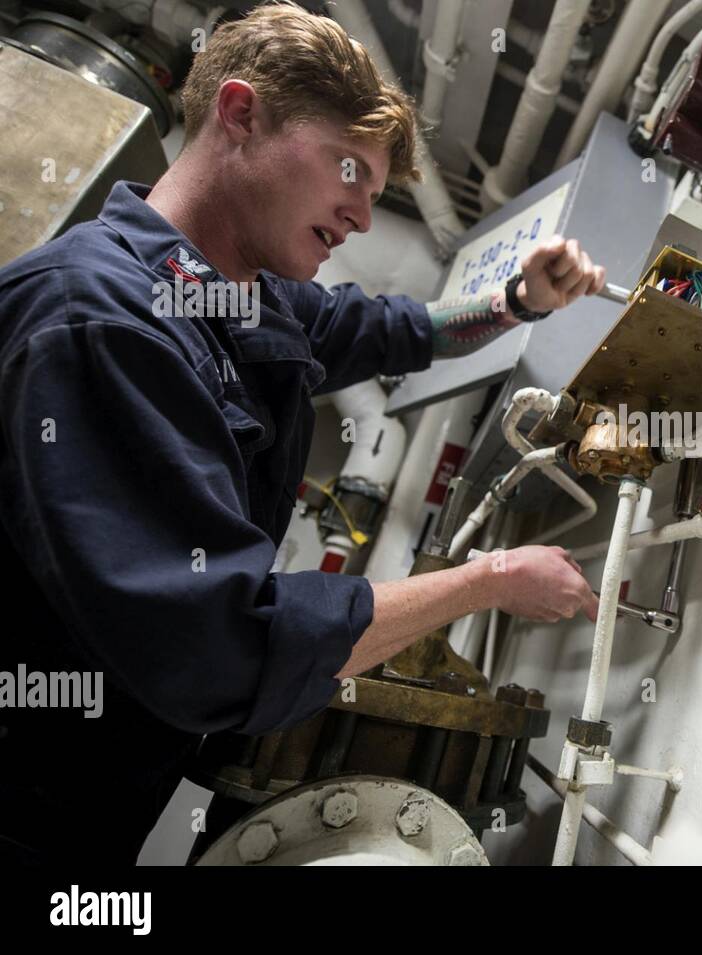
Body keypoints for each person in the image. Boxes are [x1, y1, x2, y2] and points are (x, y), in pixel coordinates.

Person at [0, 2, 602, 864]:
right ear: (240, 115)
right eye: (349, 169)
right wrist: (490, 578)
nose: (361, 216)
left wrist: (517, 301)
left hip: (101, 799)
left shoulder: (237, 293)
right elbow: (222, 641)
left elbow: (403, 331)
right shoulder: (99, 322)